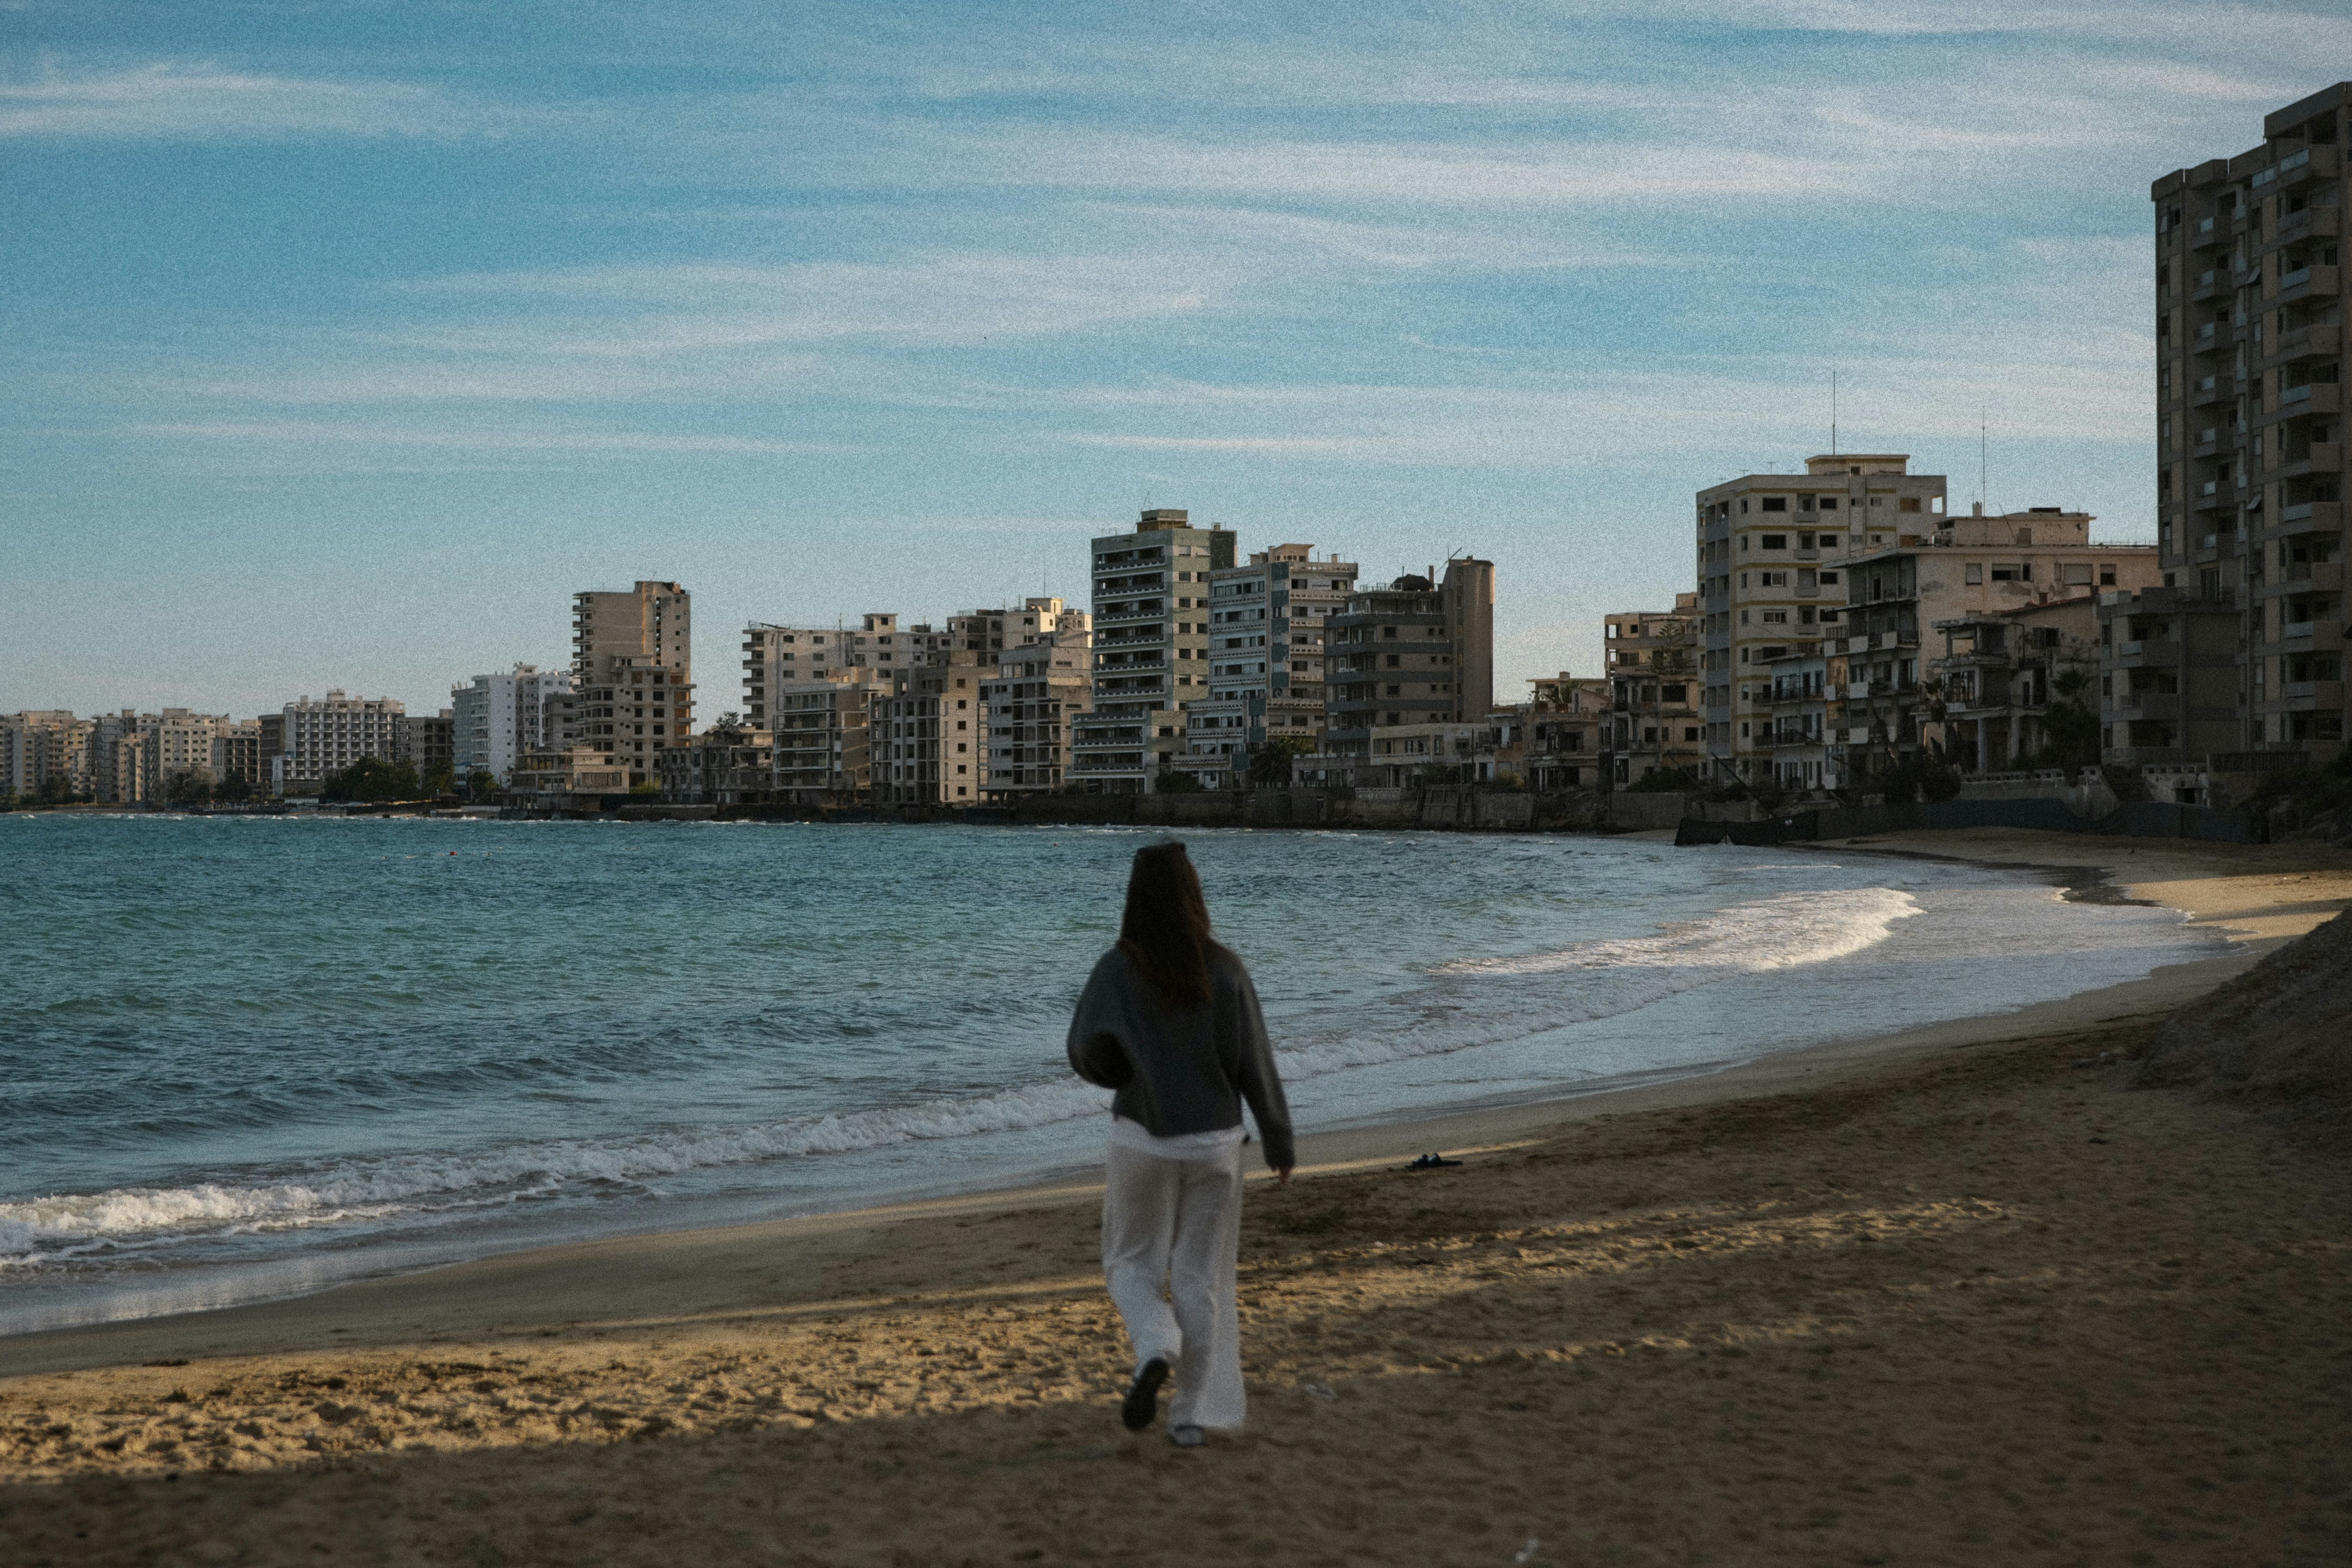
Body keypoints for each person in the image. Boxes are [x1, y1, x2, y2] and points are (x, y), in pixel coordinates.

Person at [1067, 840, 1295, 1448]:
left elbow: (1084, 1051)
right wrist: (1279, 1139)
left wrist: (1124, 1068)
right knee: (1200, 1279)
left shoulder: (1119, 968)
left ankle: (1155, 1345)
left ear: (1134, 899)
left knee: (1128, 1263)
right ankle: (1190, 1417)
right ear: (1195, 893)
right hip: (1217, 1145)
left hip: (1142, 1138)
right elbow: (1256, 1062)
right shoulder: (1224, 968)